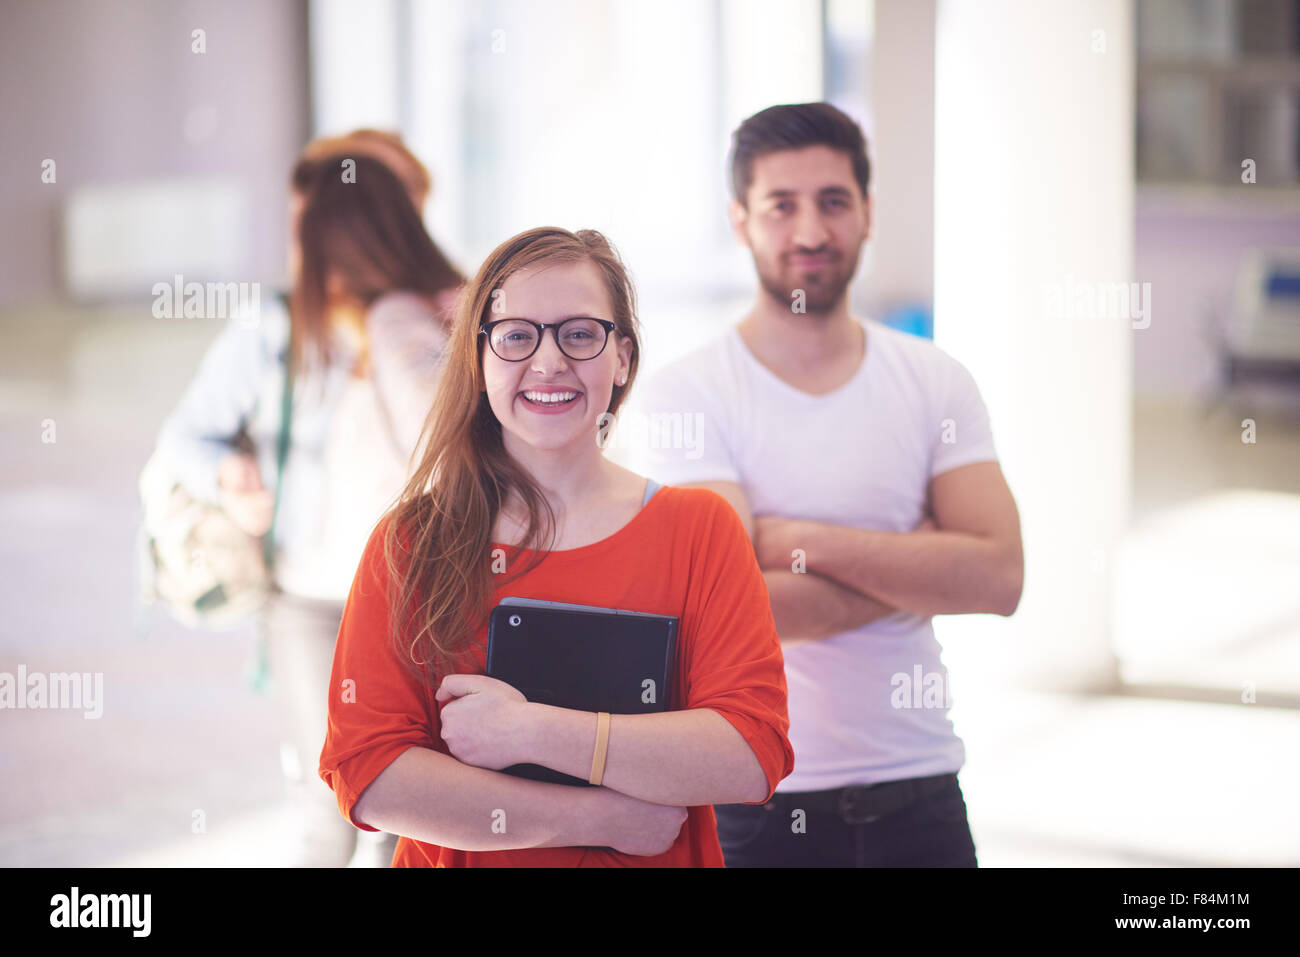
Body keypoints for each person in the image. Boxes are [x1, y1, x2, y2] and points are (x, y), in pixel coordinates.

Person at [623, 102, 1025, 867]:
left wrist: (802, 540)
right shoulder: (688, 392)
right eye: (782, 205)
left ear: (868, 214)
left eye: (834, 202)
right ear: (741, 220)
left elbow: (1000, 576)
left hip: (923, 783)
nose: (810, 232)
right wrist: (927, 566)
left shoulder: (934, 380)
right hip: (758, 793)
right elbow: (739, 610)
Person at [317, 226, 794, 867]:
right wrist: (596, 818)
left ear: (622, 356)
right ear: (477, 360)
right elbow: (369, 774)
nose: (548, 363)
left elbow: (749, 754)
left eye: (579, 333)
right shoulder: (411, 542)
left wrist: (529, 730)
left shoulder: (698, 529)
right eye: (516, 336)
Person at [150, 134, 462, 867]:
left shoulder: (444, 317)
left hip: (422, 596)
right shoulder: (278, 327)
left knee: (404, 808)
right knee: (329, 807)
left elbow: (469, 452)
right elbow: (184, 439)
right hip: (311, 600)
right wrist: (229, 474)